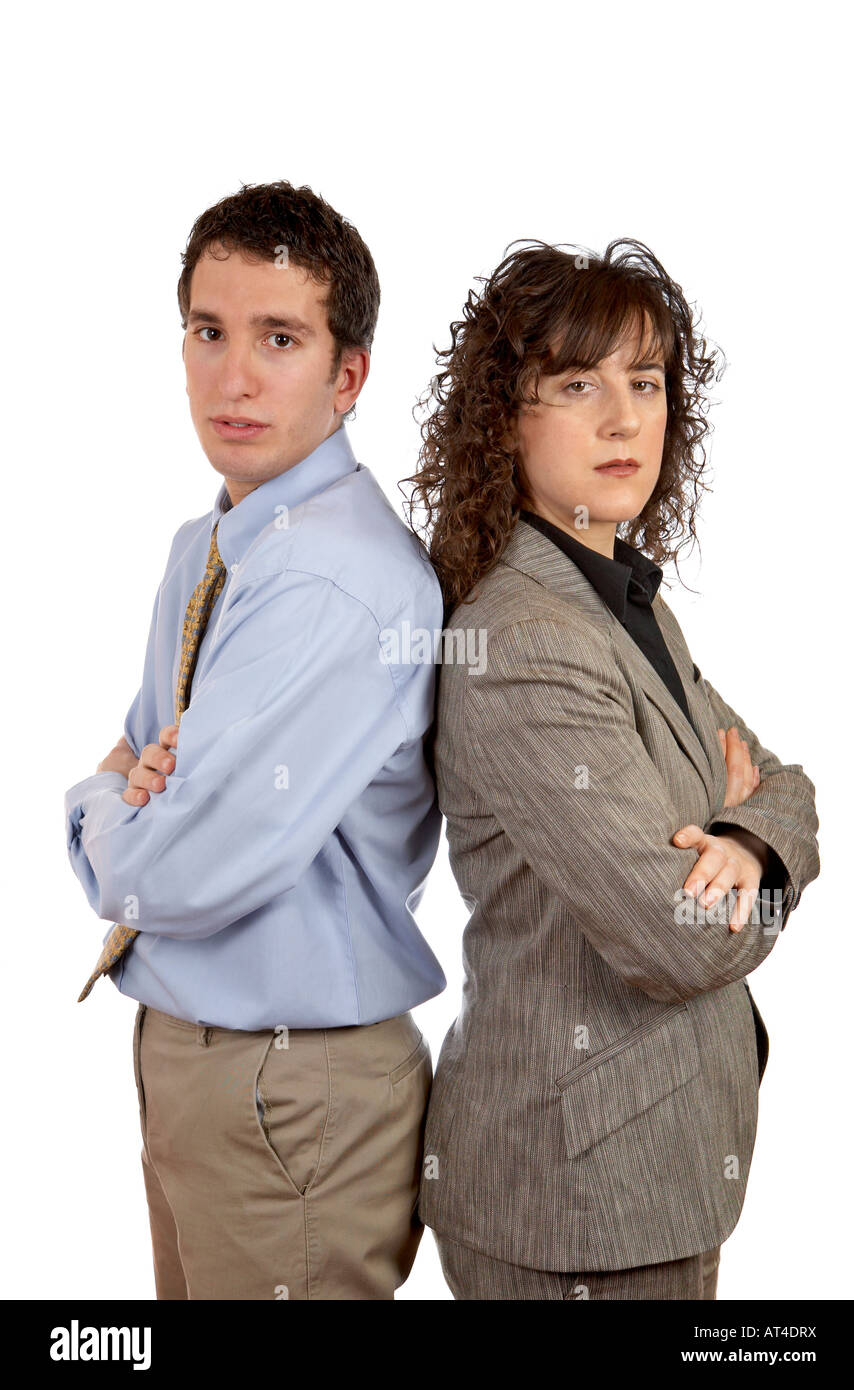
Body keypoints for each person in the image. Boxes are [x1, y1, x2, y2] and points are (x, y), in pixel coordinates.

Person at [405, 238, 820, 1300]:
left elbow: (783, 781)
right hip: (571, 1201)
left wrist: (744, 833)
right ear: (504, 417)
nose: (624, 416)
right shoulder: (527, 636)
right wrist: (761, 863)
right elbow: (668, 936)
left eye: (644, 382)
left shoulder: (614, 595)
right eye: (576, 383)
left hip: (648, 1172)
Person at [64, 181, 446, 1300]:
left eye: (279, 338)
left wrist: (99, 800)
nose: (233, 376)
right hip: (196, 1056)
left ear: (347, 375)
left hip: (291, 1088)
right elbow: (151, 779)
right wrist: (140, 792)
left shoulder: (335, 577)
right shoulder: (214, 542)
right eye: (208, 331)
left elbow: (168, 863)